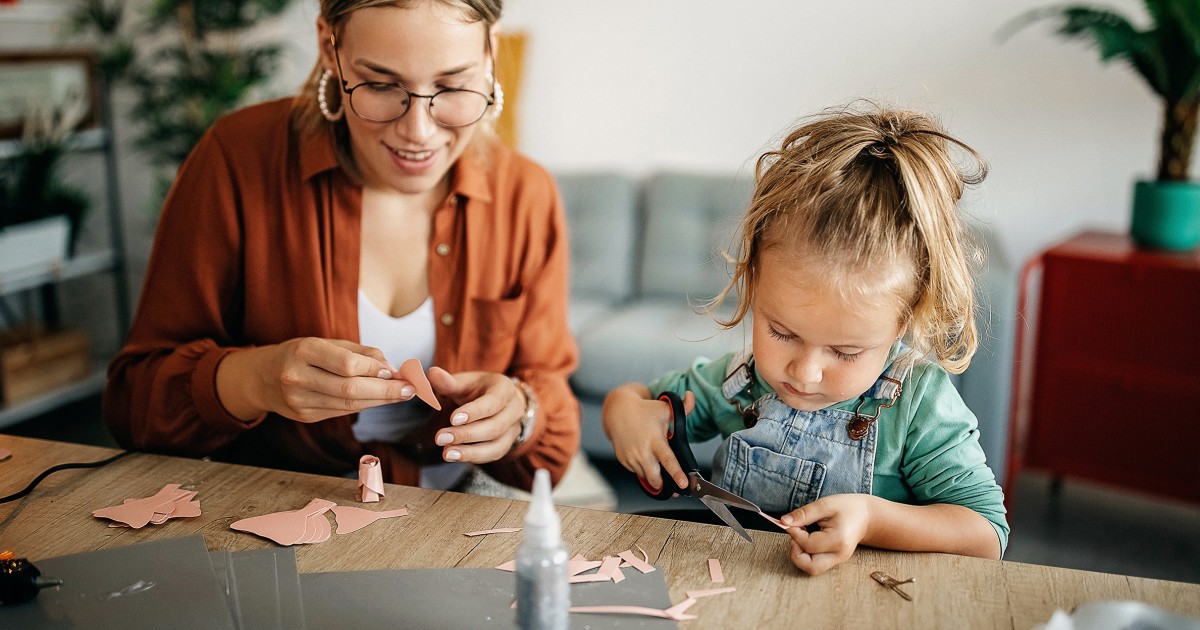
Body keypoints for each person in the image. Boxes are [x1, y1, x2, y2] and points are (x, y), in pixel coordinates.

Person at [104, 0, 579, 492]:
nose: (418, 131)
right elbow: (132, 405)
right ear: (328, 47)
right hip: (275, 505)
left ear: (490, 50)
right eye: (379, 85)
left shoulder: (526, 194)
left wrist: (521, 411)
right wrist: (255, 381)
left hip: (459, 515)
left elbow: (554, 429)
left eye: (453, 85)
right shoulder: (236, 160)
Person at [602, 102, 1008, 576]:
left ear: (904, 321)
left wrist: (872, 519)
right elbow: (640, 401)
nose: (804, 371)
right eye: (782, 332)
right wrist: (623, 414)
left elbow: (986, 534)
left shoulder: (919, 405)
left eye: (845, 351)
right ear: (754, 281)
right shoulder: (744, 379)